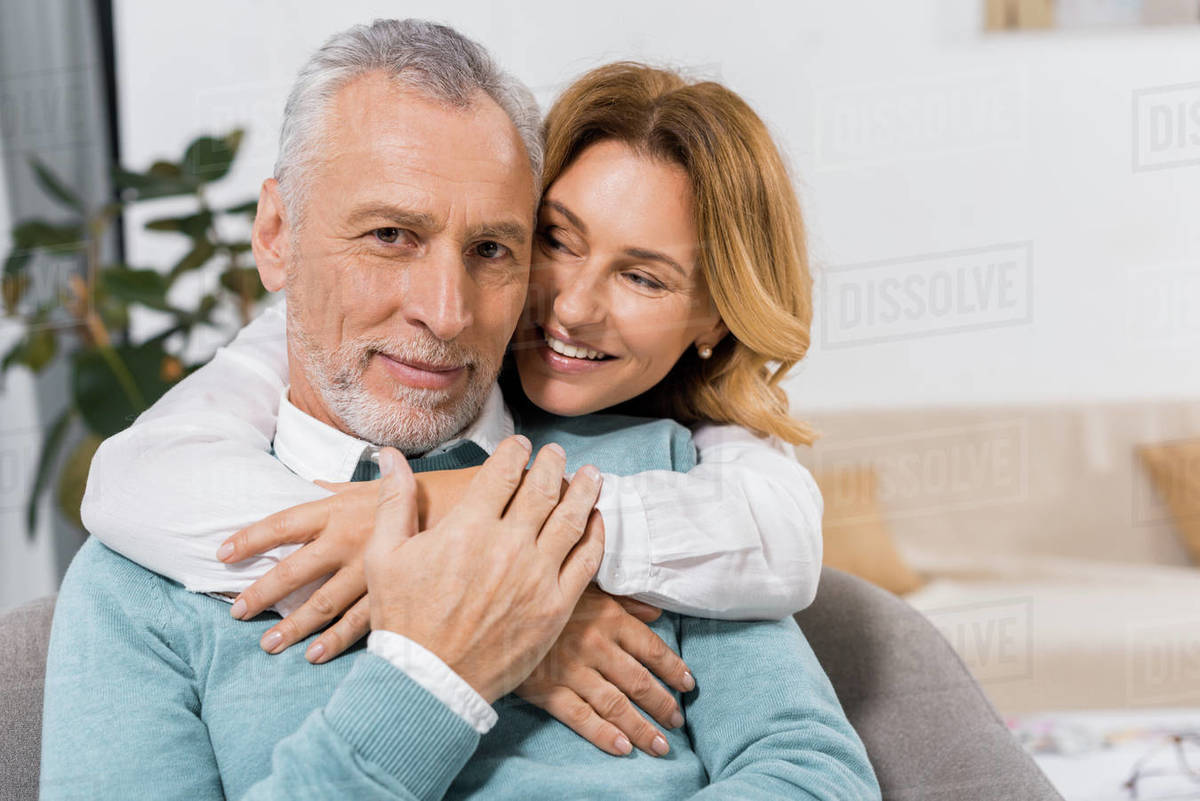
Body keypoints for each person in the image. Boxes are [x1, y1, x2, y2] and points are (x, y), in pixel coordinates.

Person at [42, 18, 879, 800]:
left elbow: (813, 777)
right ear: (276, 236)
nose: (446, 312)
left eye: (491, 250)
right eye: (390, 236)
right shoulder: (134, 582)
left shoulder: (663, 476)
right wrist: (437, 675)